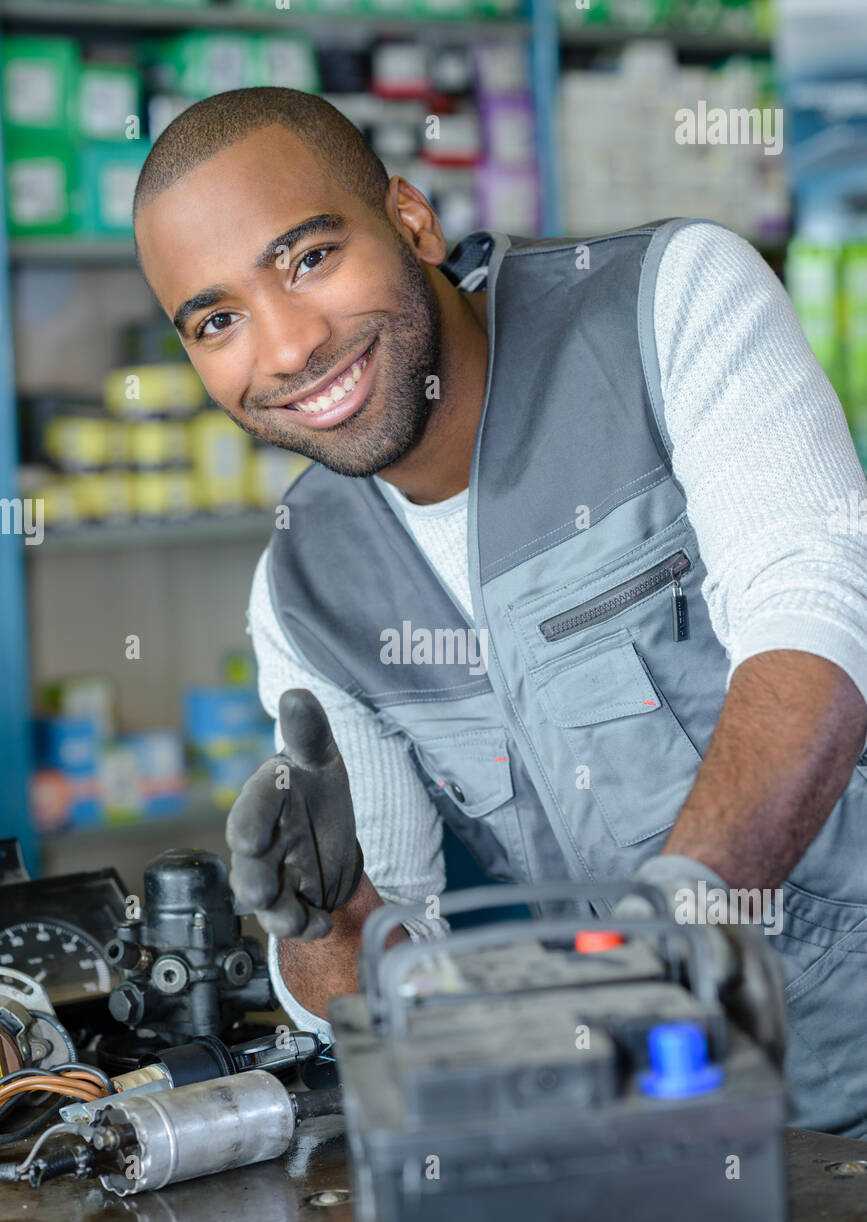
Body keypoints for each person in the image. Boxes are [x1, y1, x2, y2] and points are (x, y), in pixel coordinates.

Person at [133, 87, 867, 1137]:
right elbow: (391, 983)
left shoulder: (665, 305)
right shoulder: (308, 589)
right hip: (659, 1126)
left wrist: (666, 930)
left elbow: (818, 614)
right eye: (217, 321)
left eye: (307, 259)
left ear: (413, 220)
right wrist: (327, 924)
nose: (287, 347)